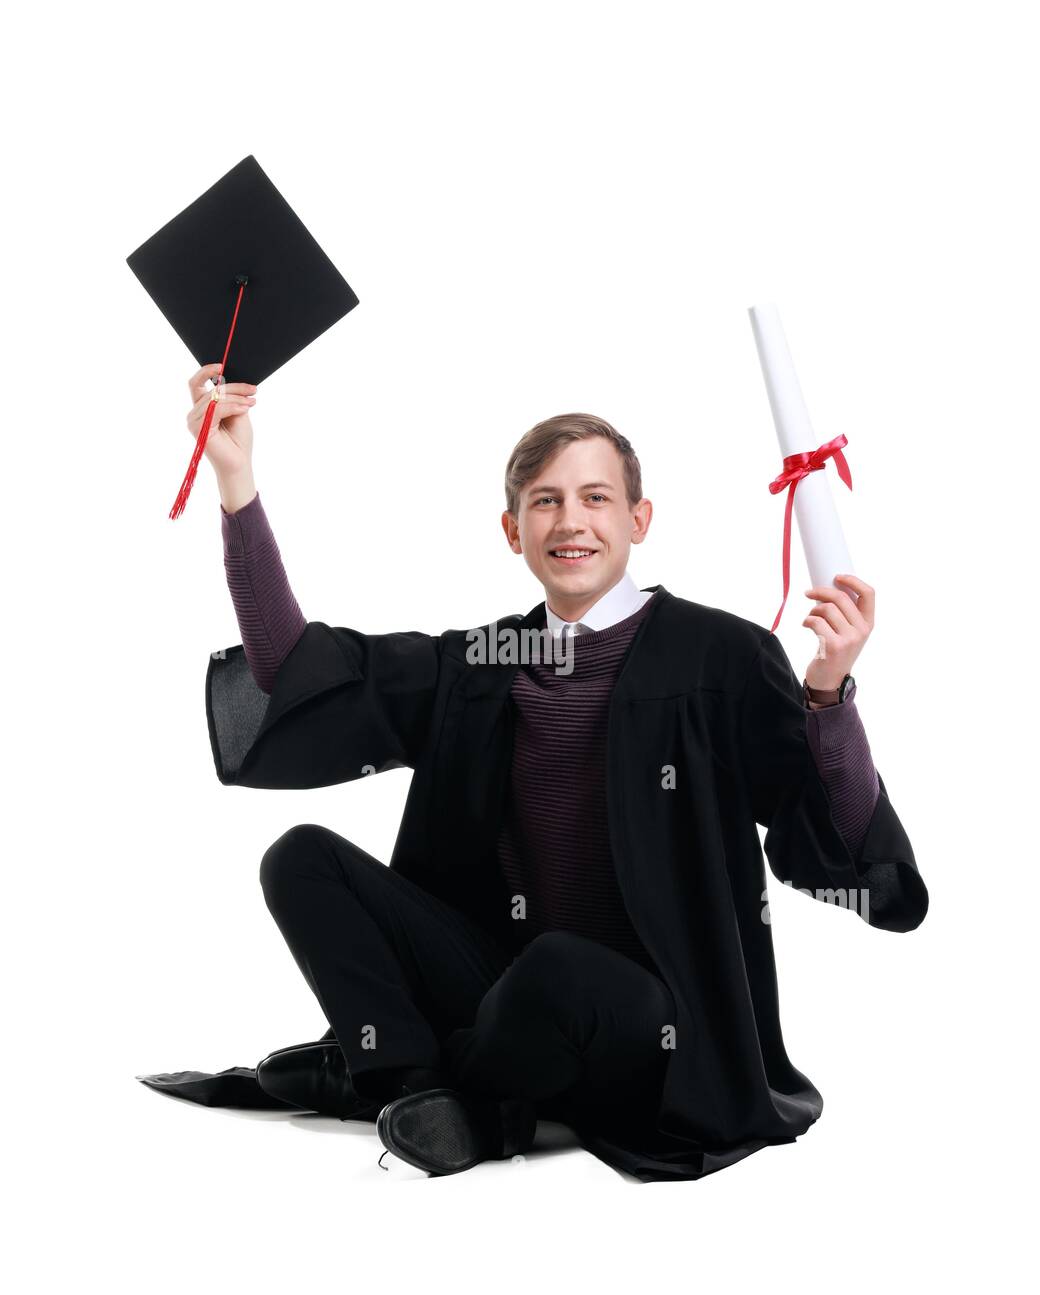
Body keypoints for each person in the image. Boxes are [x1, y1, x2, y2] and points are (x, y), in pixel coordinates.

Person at [165, 364, 926, 1182]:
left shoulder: (722, 656)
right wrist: (236, 483)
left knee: (560, 968)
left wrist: (829, 693)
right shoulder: (484, 662)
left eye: (596, 497)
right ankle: (419, 1089)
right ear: (511, 528)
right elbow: (296, 667)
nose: (572, 521)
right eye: (546, 500)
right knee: (301, 858)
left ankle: (418, 1084)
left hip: (652, 1014)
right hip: (503, 986)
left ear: (639, 519)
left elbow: (831, 833)